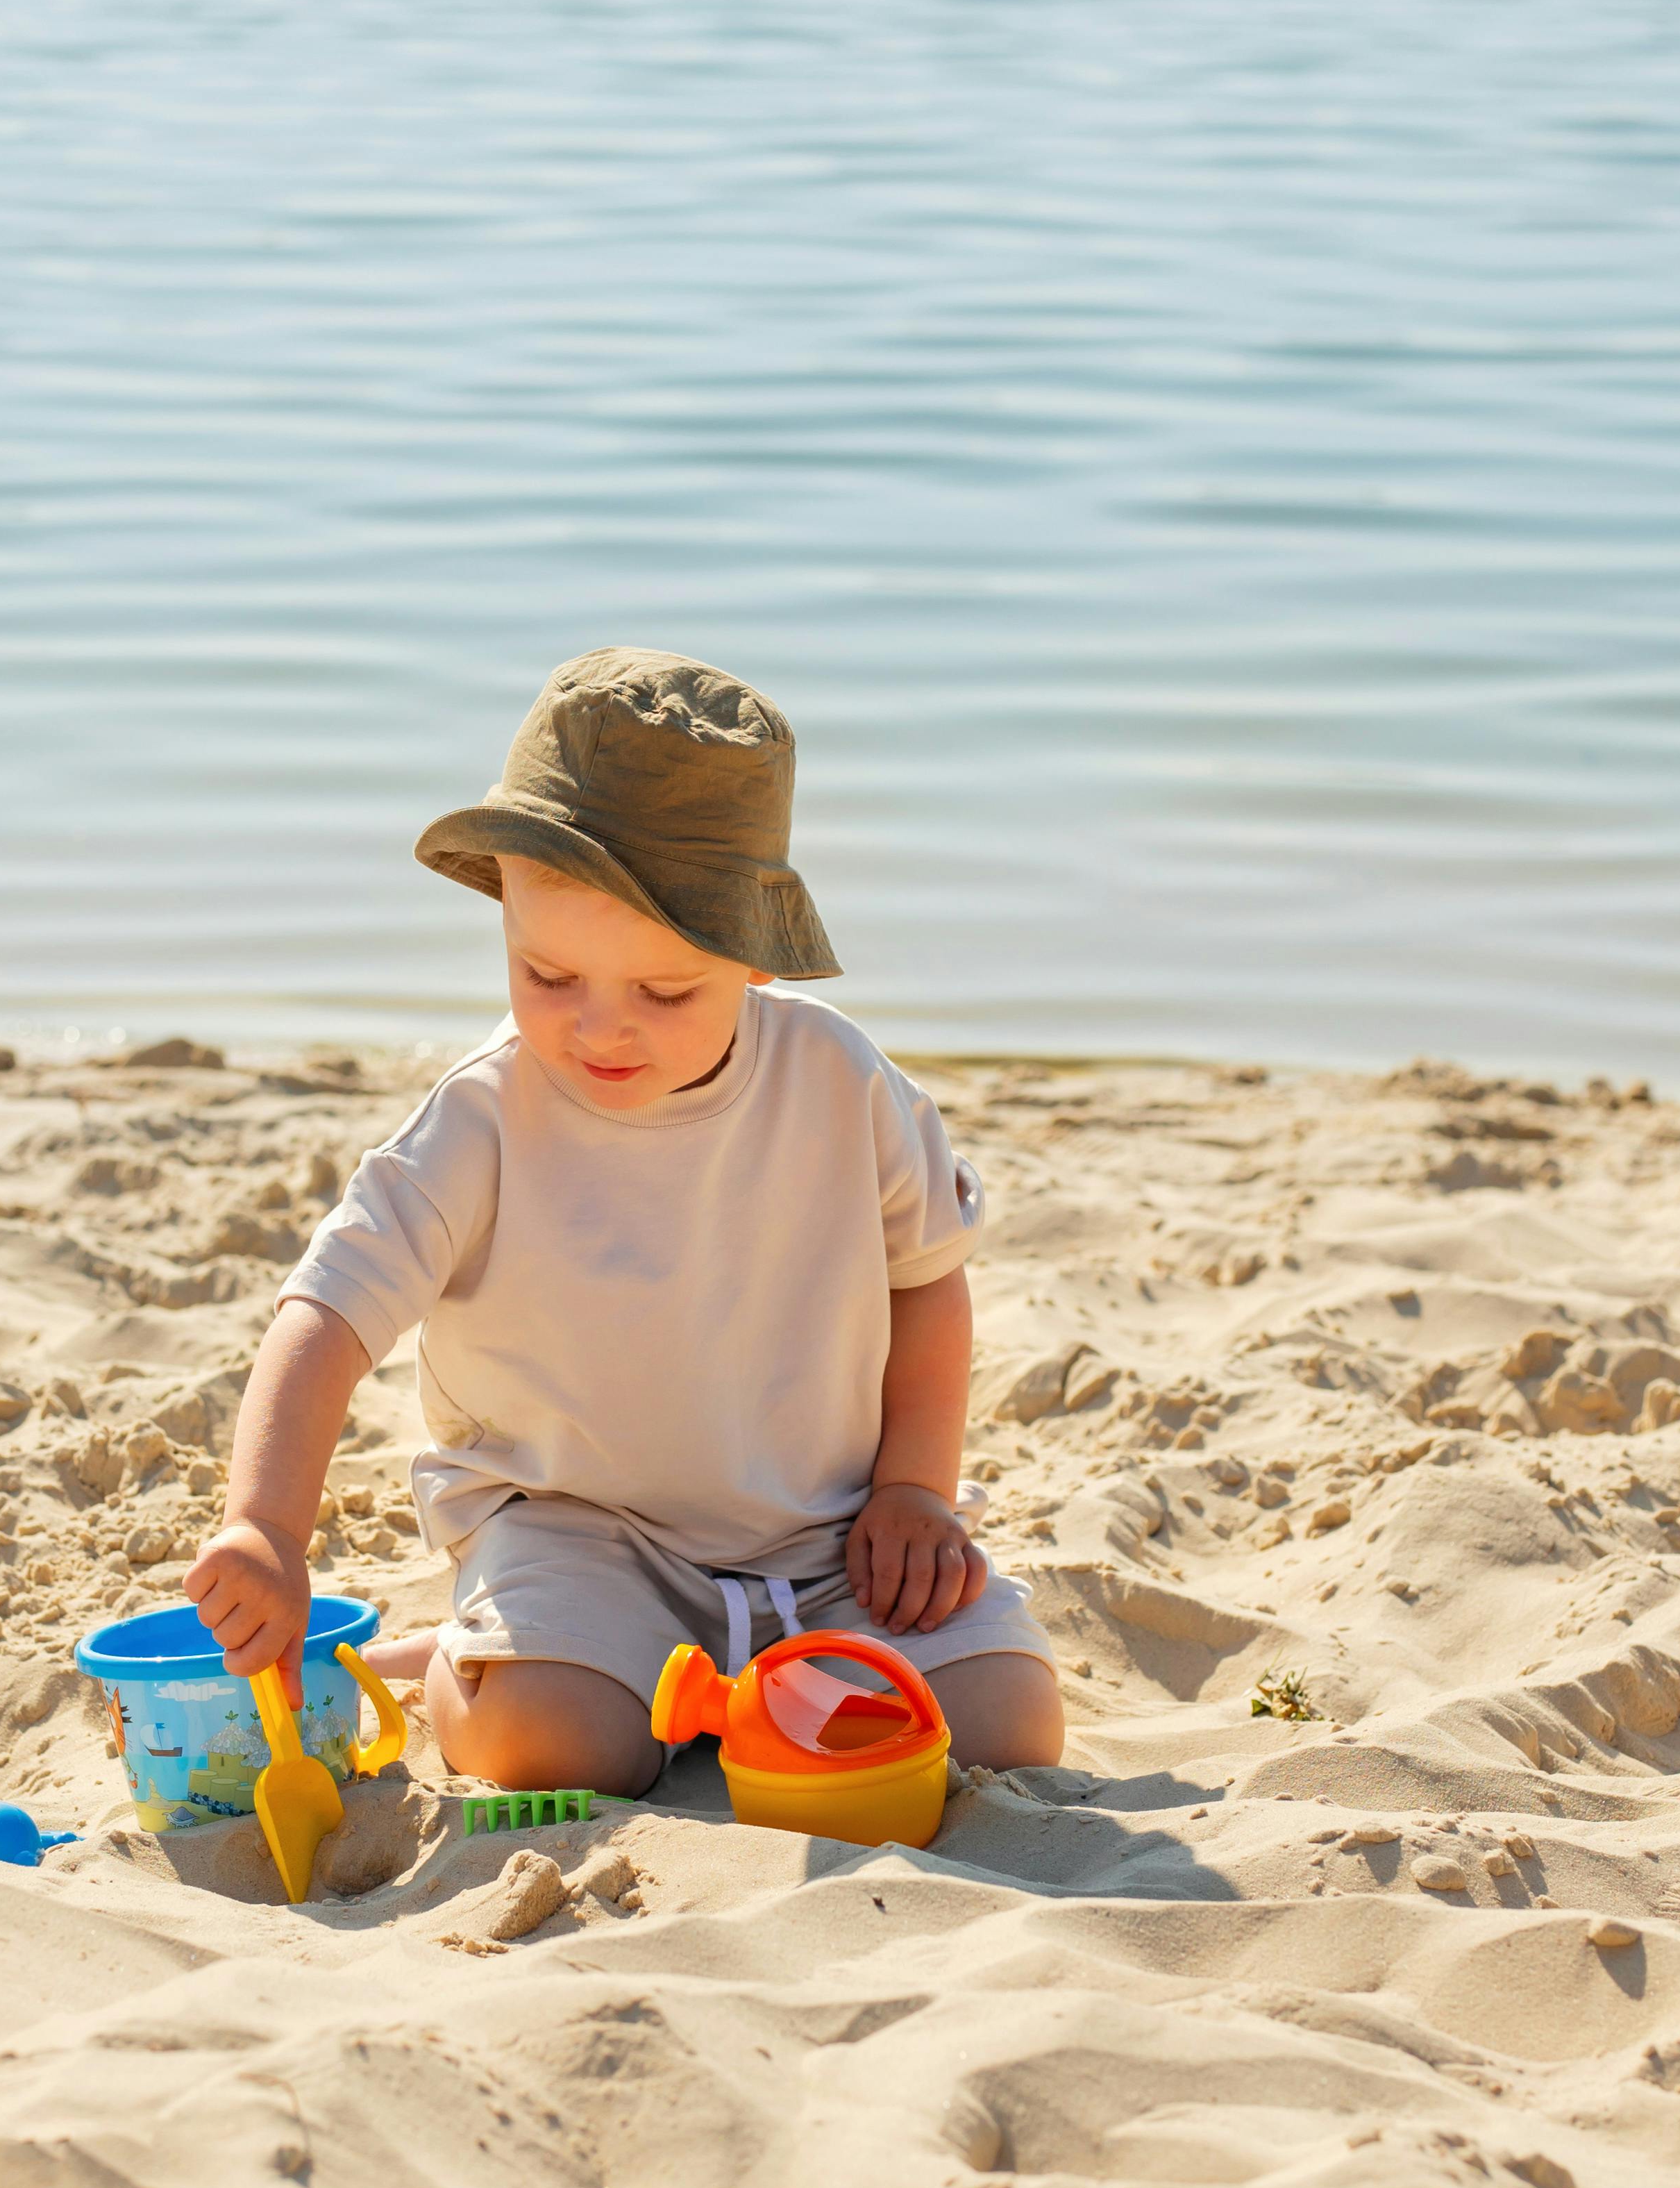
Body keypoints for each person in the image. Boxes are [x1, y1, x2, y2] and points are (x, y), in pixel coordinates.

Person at [182, 649, 1064, 1793]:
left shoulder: (840, 1083)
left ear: (753, 952)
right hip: (578, 1534)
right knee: (553, 1742)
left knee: (1007, 1719)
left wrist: (912, 1489)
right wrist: (264, 1527)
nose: (600, 1030)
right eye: (547, 975)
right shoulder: (484, 1118)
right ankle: (472, 1660)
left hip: (826, 1543)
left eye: (662, 992)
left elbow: (924, 1277)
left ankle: (726, 1683)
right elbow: (330, 1312)